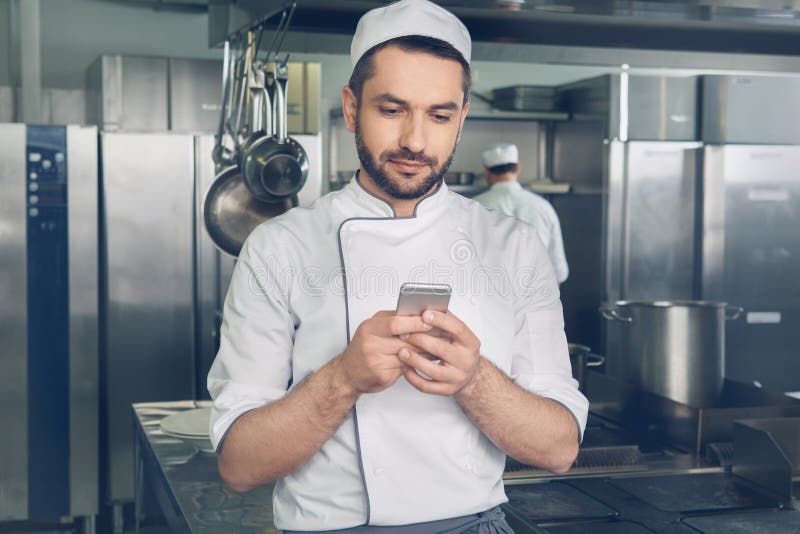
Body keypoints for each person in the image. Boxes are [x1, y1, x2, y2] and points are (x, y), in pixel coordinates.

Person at [207, 0, 588, 532]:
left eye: (439, 115)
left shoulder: (513, 246)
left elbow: (560, 447)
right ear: (350, 106)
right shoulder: (280, 247)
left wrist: (473, 380)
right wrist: (343, 378)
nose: (414, 140)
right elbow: (239, 466)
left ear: (462, 119)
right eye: (391, 110)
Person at [472, 143, 570, 284]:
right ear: (517, 167)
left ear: (486, 171)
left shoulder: (474, 207)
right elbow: (559, 272)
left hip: (488, 298)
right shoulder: (543, 207)